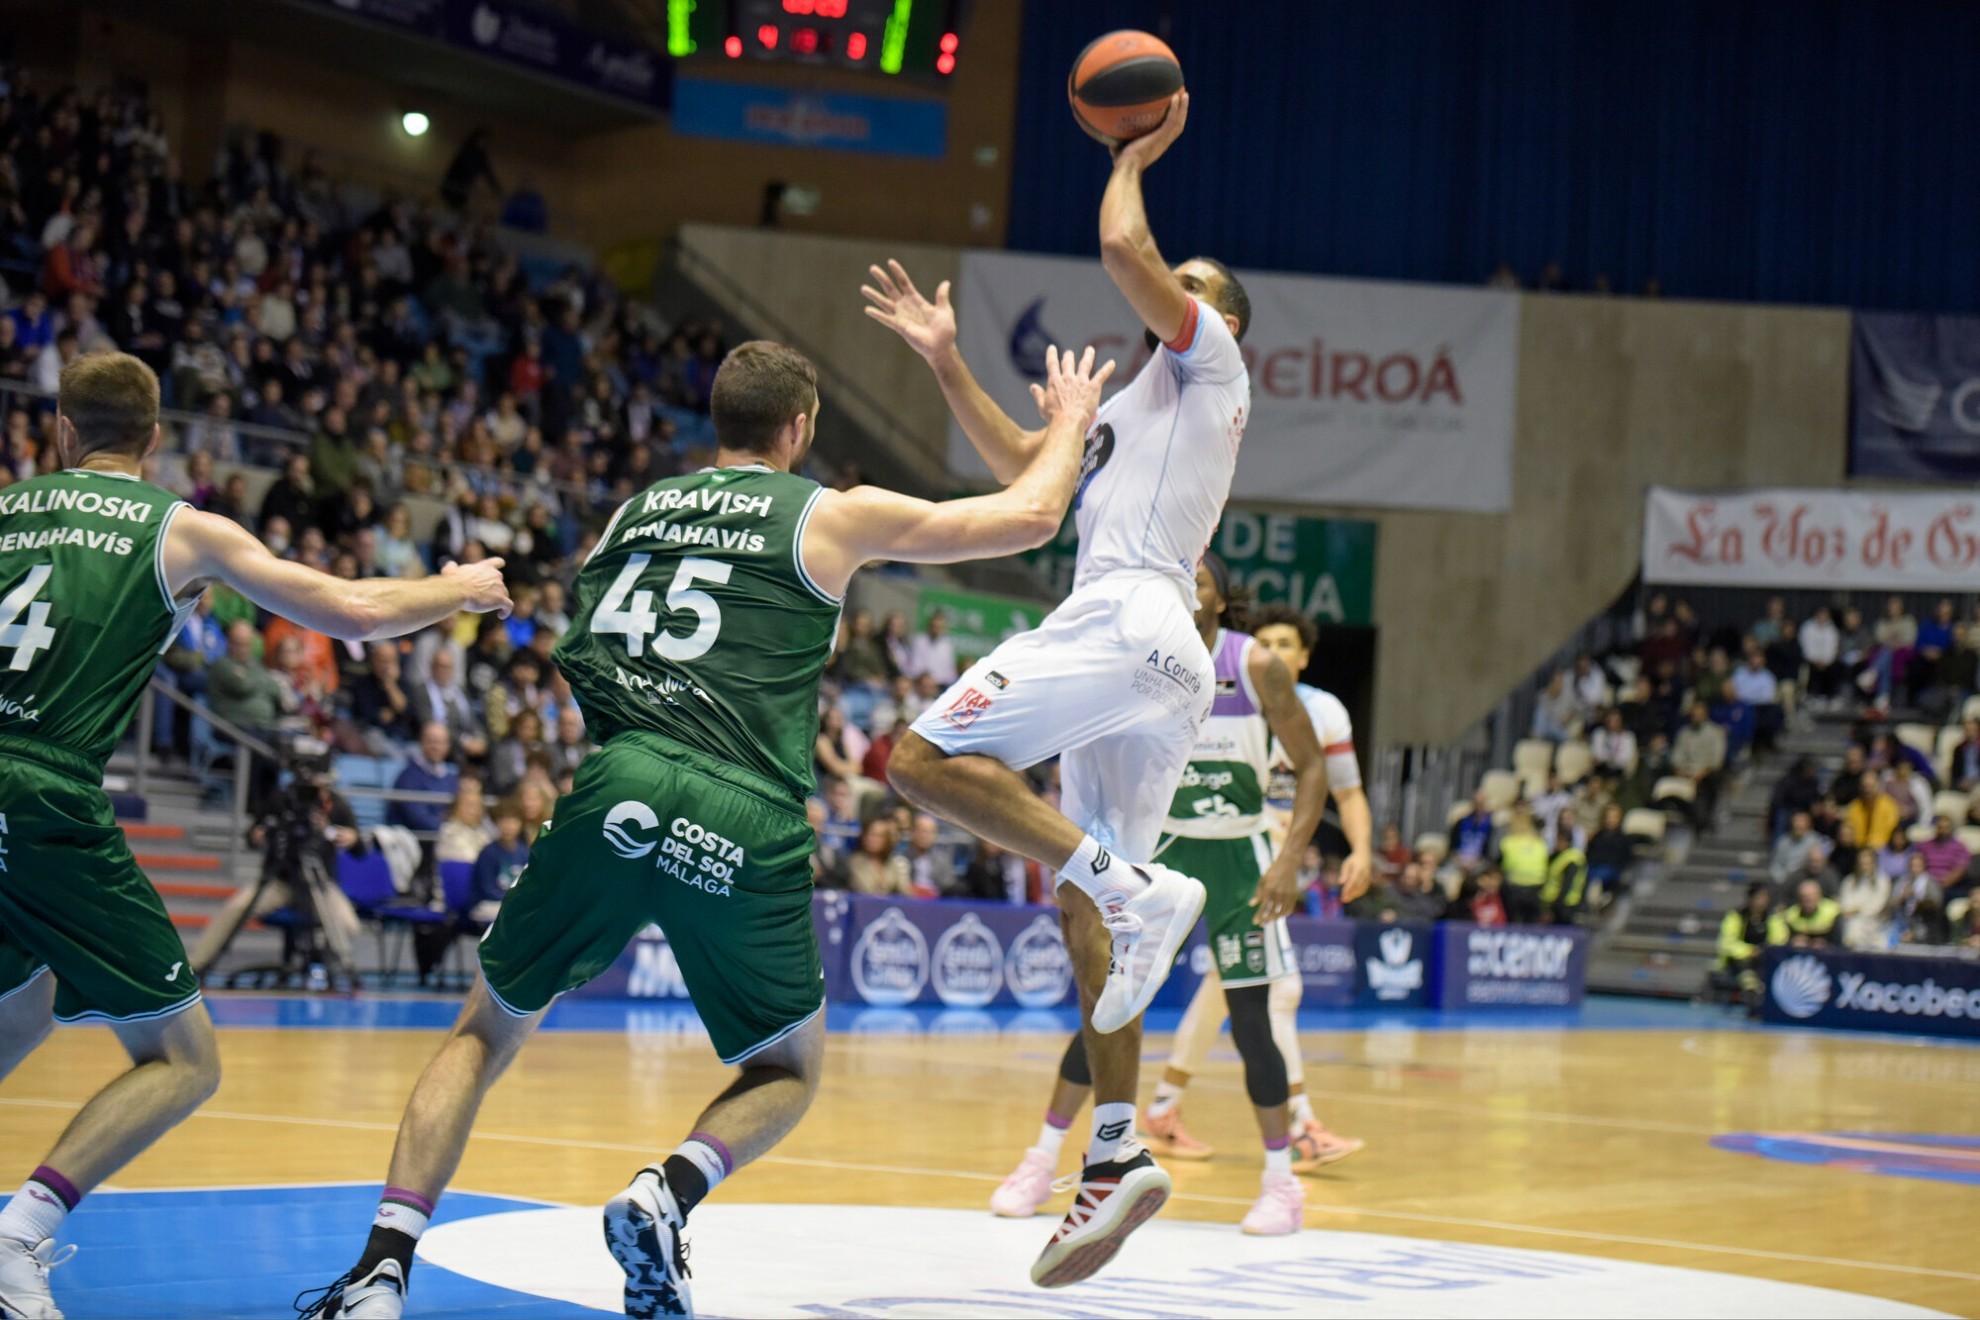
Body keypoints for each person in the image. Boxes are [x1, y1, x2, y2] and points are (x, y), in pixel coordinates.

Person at [299, 337, 1110, 1318]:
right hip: (744, 808)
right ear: (800, 429)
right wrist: (1068, 420)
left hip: (618, 782)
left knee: (481, 1033)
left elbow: (586, 643)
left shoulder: (633, 514)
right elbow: (1030, 516)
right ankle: (668, 1189)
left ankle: (381, 1274)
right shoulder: (828, 514)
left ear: (717, 419)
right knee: (786, 1068)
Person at [0, 353, 511, 1318]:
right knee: (187, 1060)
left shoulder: (9, 510)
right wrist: (456, 588)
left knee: (24, 1000)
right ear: (154, 443)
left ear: (60, 431)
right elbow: (351, 610)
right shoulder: (176, 529)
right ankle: (17, 1233)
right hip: (47, 794)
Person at [867, 91, 1267, 1285]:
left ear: (1216, 317)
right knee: (1098, 920)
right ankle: (1114, 1158)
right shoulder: (1130, 408)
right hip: (1155, 664)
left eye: (1188, 291)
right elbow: (1020, 480)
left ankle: (1136, 894)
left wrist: (1129, 154)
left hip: (1131, 618)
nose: (1163, 298)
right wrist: (947, 365)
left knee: (917, 761)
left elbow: (1122, 250)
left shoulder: (1214, 367)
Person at [990, 558, 1344, 1239]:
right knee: (1109, 1002)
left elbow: (1312, 766)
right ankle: (1039, 1162)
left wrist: (1292, 858)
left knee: (1251, 1020)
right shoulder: (1147, 660)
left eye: (1199, 582)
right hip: (1163, 848)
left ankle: (1281, 1184)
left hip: (1241, 854)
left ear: (1219, 597)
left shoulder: (1256, 663)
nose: (1186, 592)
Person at [1136, 599, 1371, 1178]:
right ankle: (1298, 1125)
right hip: (1232, 855)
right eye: (1265, 642)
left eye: (1288, 643)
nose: (1275, 652)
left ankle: (1164, 1107)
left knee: (1230, 983)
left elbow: (1345, 789)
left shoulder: (1325, 712)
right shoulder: (1216, 692)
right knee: (1277, 988)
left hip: (1273, 859)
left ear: (1306, 656)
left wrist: (1362, 850)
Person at [1716, 883, 1787, 1012]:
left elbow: (1779, 940)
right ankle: (1753, 1001)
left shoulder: (1772, 918)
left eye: (1764, 898)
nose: (1762, 901)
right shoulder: (1736, 916)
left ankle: (1764, 1001)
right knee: (1747, 971)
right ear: (1750, 898)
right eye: (1759, 897)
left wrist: (1764, 951)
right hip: (1738, 961)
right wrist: (1750, 951)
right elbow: (1727, 943)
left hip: (1763, 959)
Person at [1838, 848, 1892, 950]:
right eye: (1861, 863)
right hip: (1851, 923)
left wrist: (1857, 909)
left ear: (1874, 863)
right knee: (1851, 929)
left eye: (1867, 863)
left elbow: (1876, 906)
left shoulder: (1882, 881)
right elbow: (1845, 906)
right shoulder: (1849, 881)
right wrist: (1855, 910)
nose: (1864, 867)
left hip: (1875, 924)